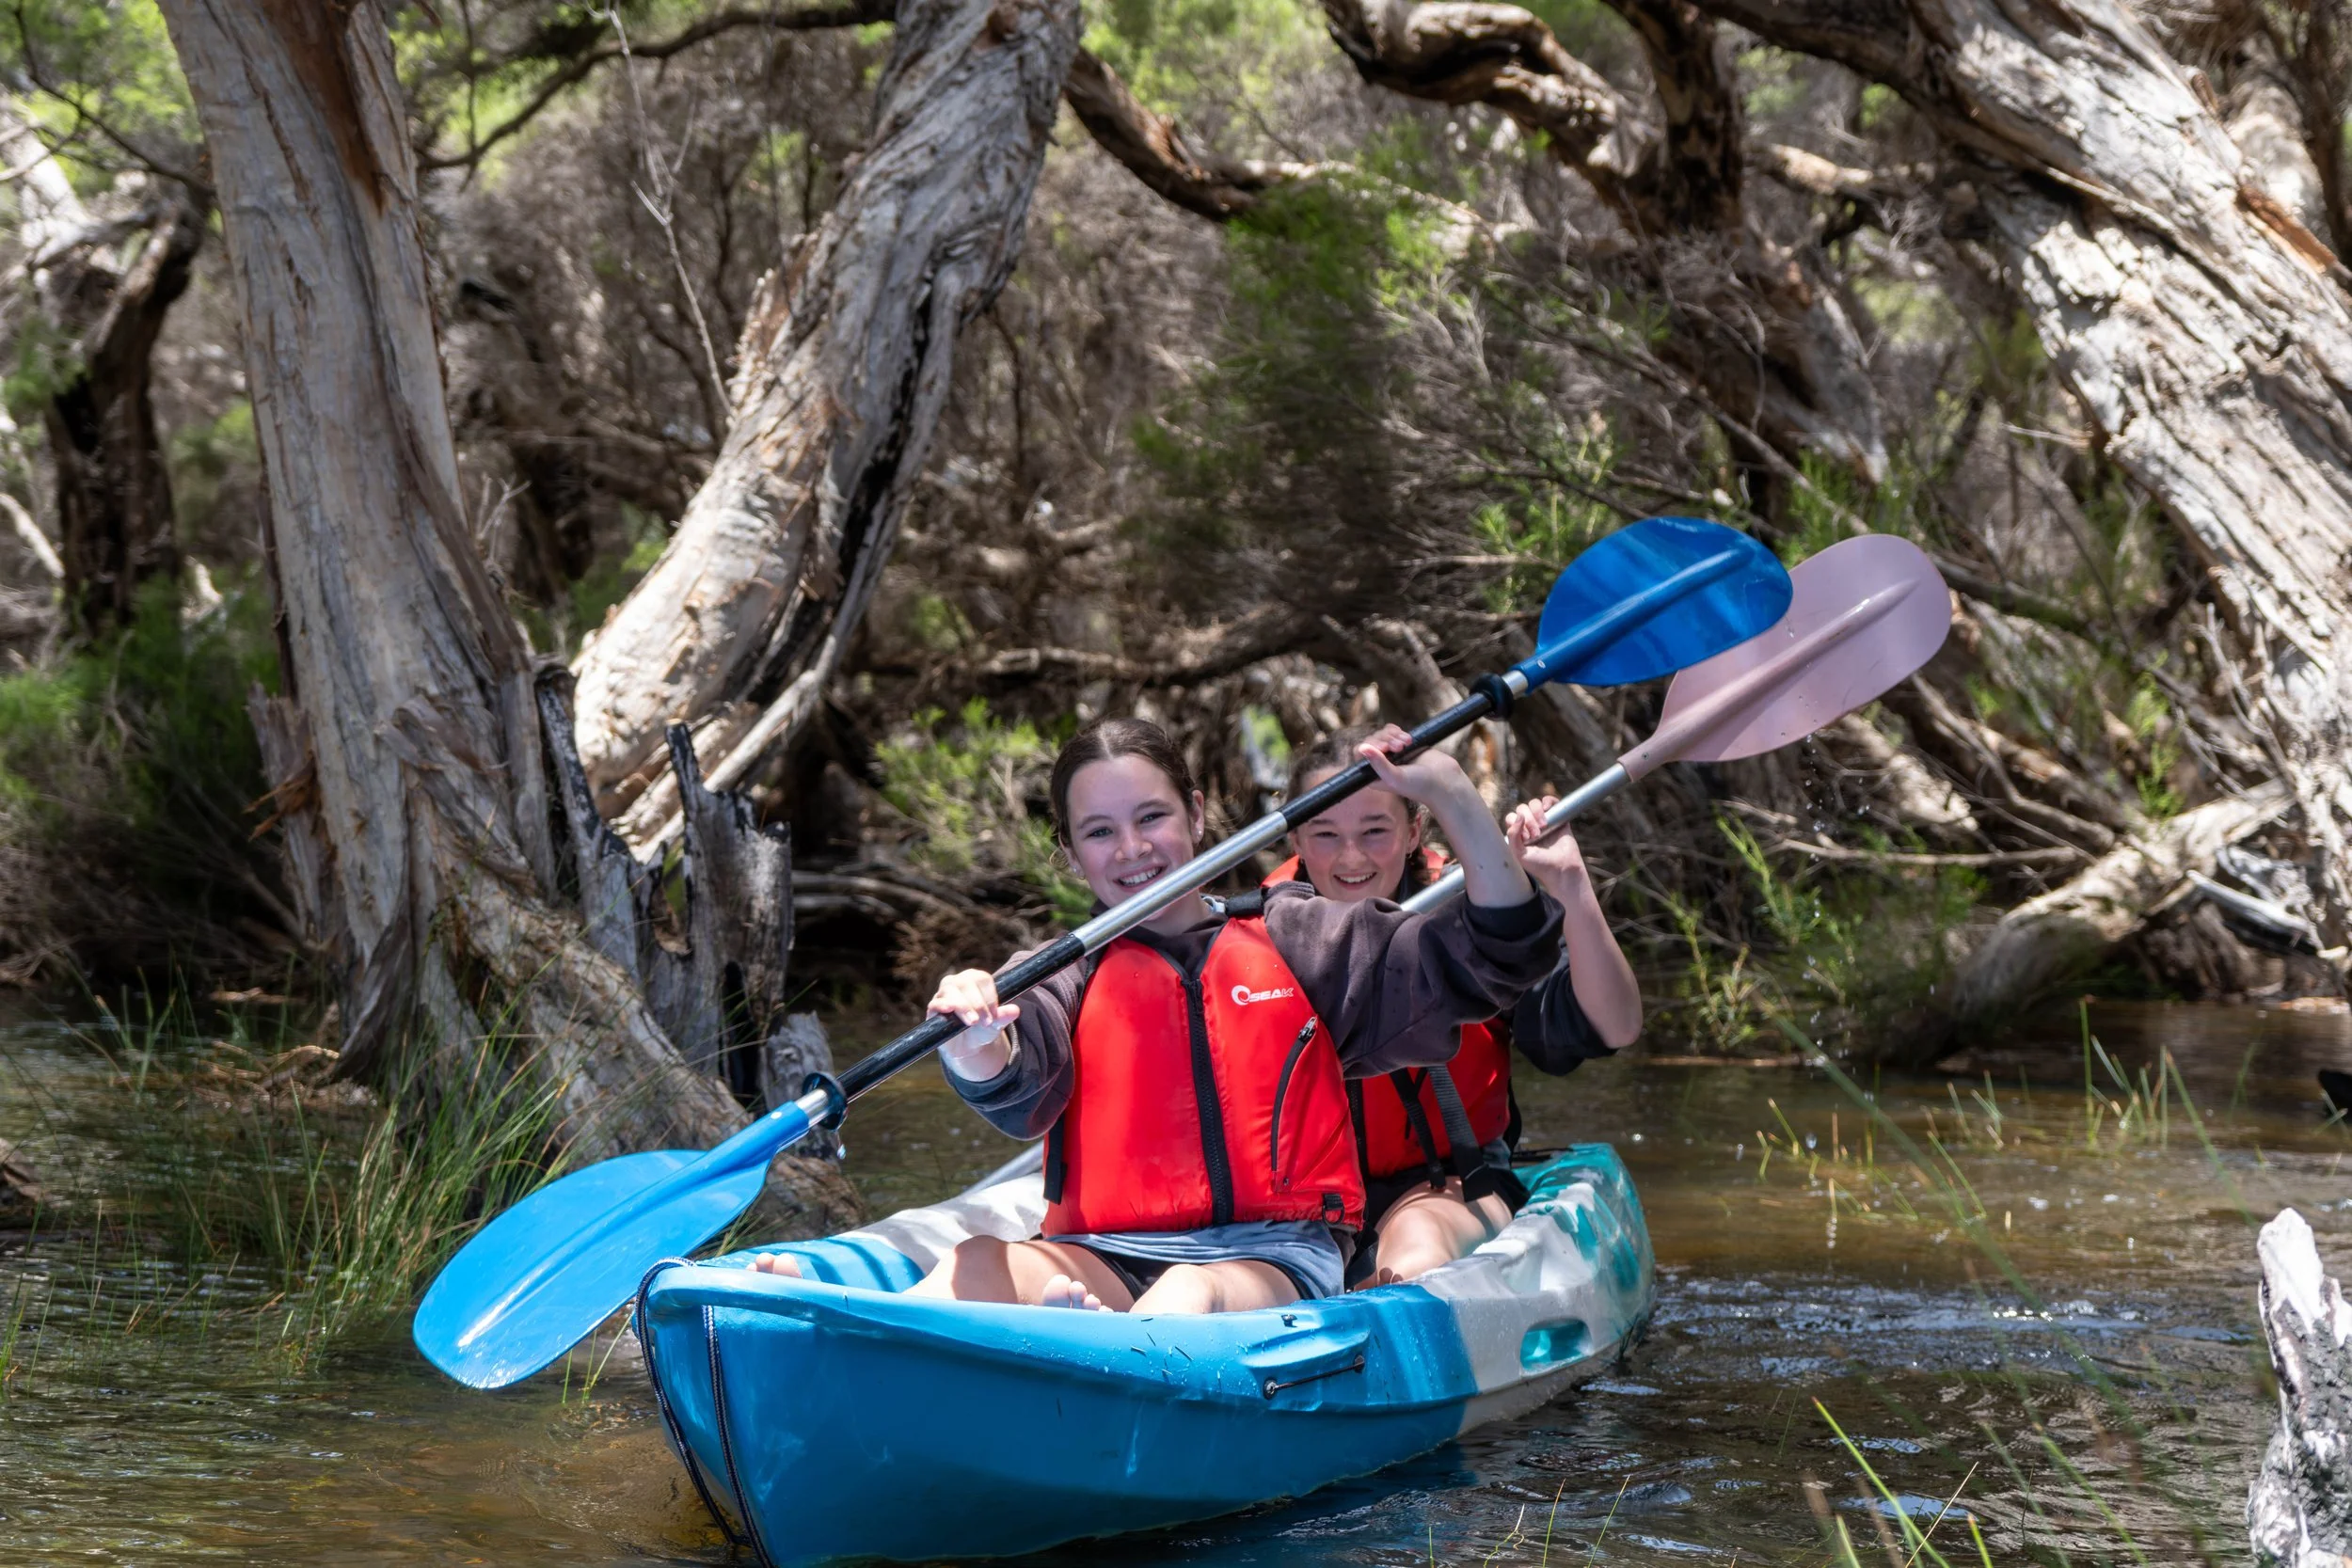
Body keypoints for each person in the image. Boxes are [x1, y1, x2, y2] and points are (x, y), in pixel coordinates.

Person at [751, 717, 1563, 1314]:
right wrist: (975, 1036)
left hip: (1271, 1255)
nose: (1131, 847)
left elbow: (1499, 954)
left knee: (1186, 1289)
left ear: (1198, 816)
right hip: (1103, 1251)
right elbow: (1011, 1088)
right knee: (976, 1263)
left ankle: (1099, 1361)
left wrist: (1452, 792)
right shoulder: (1059, 972)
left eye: (1152, 818)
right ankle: (845, 1334)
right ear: (1069, 854)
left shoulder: (1302, 935)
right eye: (1099, 832)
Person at [1270, 729, 1642, 1283]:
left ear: (1415, 829)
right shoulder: (1256, 934)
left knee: (1416, 1249)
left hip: (1450, 1182)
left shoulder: (1482, 922)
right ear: (1296, 838)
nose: (1351, 857)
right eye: (1325, 834)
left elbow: (1613, 1026)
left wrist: (1571, 888)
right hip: (1299, 1207)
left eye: (1375, 830)